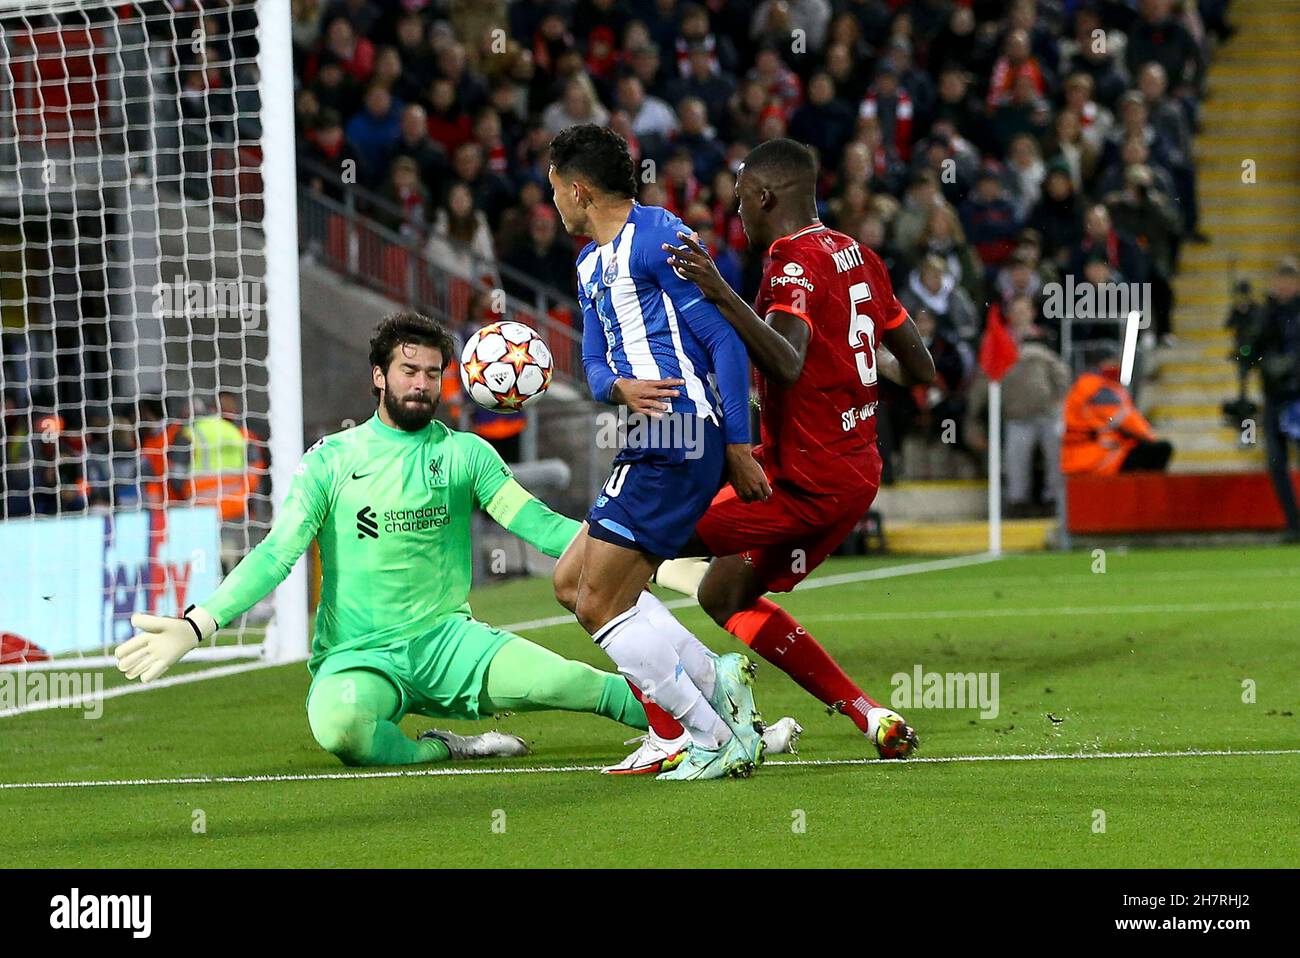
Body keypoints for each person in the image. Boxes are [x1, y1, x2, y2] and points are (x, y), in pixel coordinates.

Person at [115, 313, 649, 767]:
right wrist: (196, 624)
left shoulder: (466, 453)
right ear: (380, 375)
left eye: (433, 374)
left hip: (448, 644)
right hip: (358, 656)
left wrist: (647, 557)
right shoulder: (331, 460)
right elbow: (278, 554)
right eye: (409, 370)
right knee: (342, 729)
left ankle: (698, 711)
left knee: (576, 686)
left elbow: (541, 525)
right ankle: (446, 748)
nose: (421, 384)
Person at [590, 137, 935, 769]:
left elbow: (786, 358)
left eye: (742, 199)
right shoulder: (857, 253)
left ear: (766, 196)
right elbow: (919, 366)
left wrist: (720, 292)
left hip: (800, 481)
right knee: (722, 595)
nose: (738, 212)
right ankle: (870, 715)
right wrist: (850, 374)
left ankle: (678, 733)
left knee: (619, 558)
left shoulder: (789, 258)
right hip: (857, 473)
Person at [546, 124, 768, 781]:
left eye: (556, 191)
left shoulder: (661, 237)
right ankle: (716, 680)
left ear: (580, 190)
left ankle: (706, 736)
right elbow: (590, 365)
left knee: (596, 605)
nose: (553, 204)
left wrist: (739, 446)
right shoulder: (589, 263)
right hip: (649, 437)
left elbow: (725, 343)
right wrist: (617, 385)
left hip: (684, 435)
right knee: (569, 585)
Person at [1061, 355, 1173, 477]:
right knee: (1162, 449)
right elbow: (1127, 422)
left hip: (1069, 456)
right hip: (1095, 457)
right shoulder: (1103, 391)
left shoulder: (1082, 386)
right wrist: (1149, 438)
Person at [1252, 258, 1300, 540]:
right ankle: (1293, 523)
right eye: (1279, 279)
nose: (1283, 286)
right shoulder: (1267, 312)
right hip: (1275, 396)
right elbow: (1250, 347)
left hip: (1298, 396)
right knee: (1276, 461)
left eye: (1288, 279)